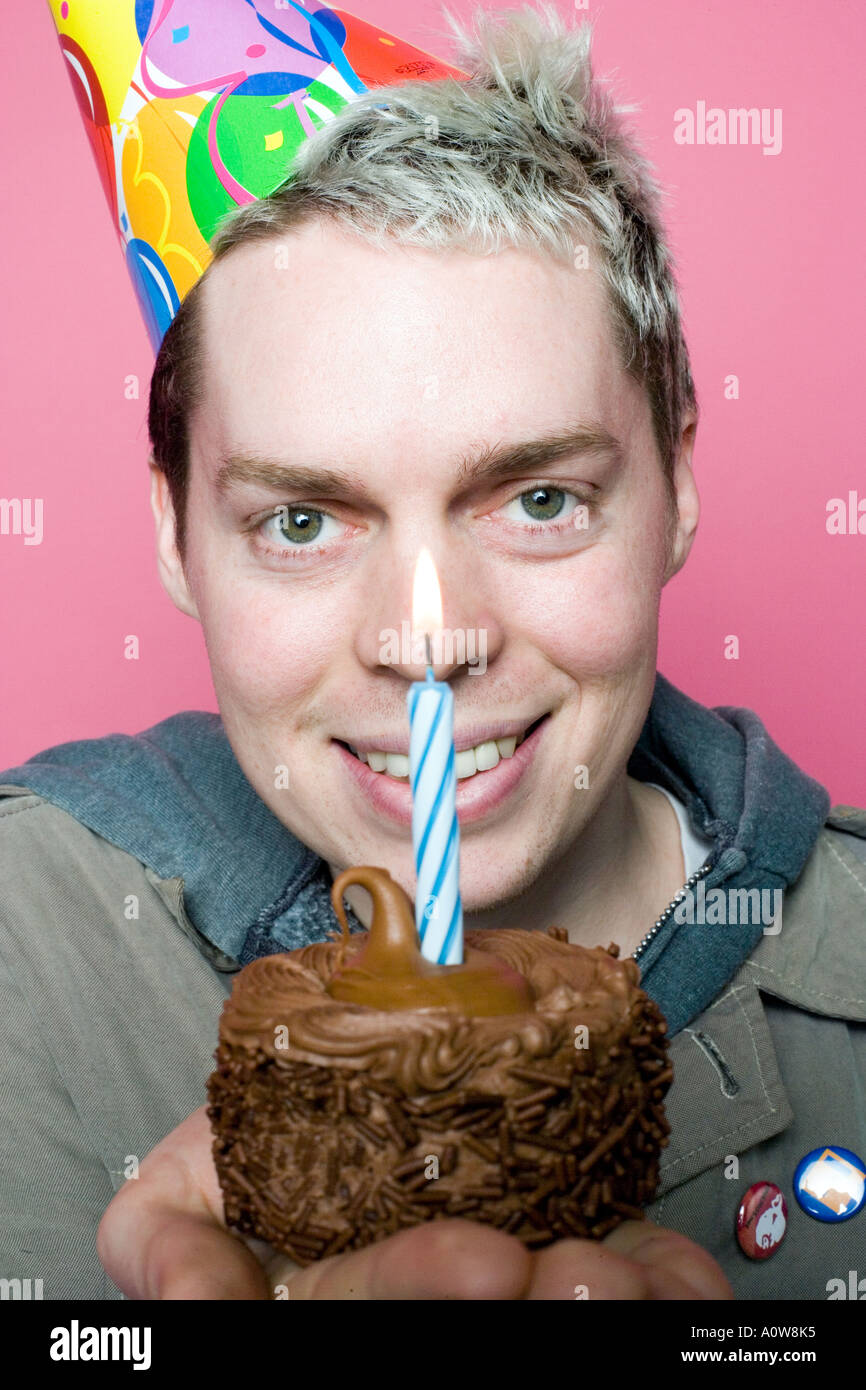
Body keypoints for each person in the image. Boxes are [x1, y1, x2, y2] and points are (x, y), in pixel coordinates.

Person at [1, 5, 863, 1301]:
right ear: (174, 535)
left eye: (535, 500)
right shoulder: (28, 939)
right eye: (301, 520)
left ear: (678, 479)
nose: (425, 639)